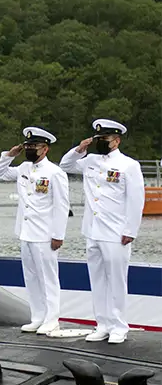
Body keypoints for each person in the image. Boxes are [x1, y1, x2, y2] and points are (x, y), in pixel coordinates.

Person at [60, 119, 145, 344]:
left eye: (104, 140)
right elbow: (65, 166)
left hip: (117, 232)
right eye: (97, 139)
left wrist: (131, 230)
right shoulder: (89, 161)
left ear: (116, 141)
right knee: (97, 279)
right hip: (93, 230)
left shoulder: (129, 165)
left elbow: (136, 200)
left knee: (116, 280)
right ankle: (102, 323)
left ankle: (119, 326)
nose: (100, 143)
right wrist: (79, 149)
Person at [0, 127, 70, 336]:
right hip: (26, 232)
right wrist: (9, 156)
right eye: (27, 146)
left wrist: (58, 235)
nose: (29, 149)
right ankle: (38, 316)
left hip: (45, 234)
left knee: (48, 278)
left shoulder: (55, 172)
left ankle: (52, 319)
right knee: (32, 277)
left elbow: (61, 206)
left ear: (44, 149)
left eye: (33, 146)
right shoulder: (24, 168)